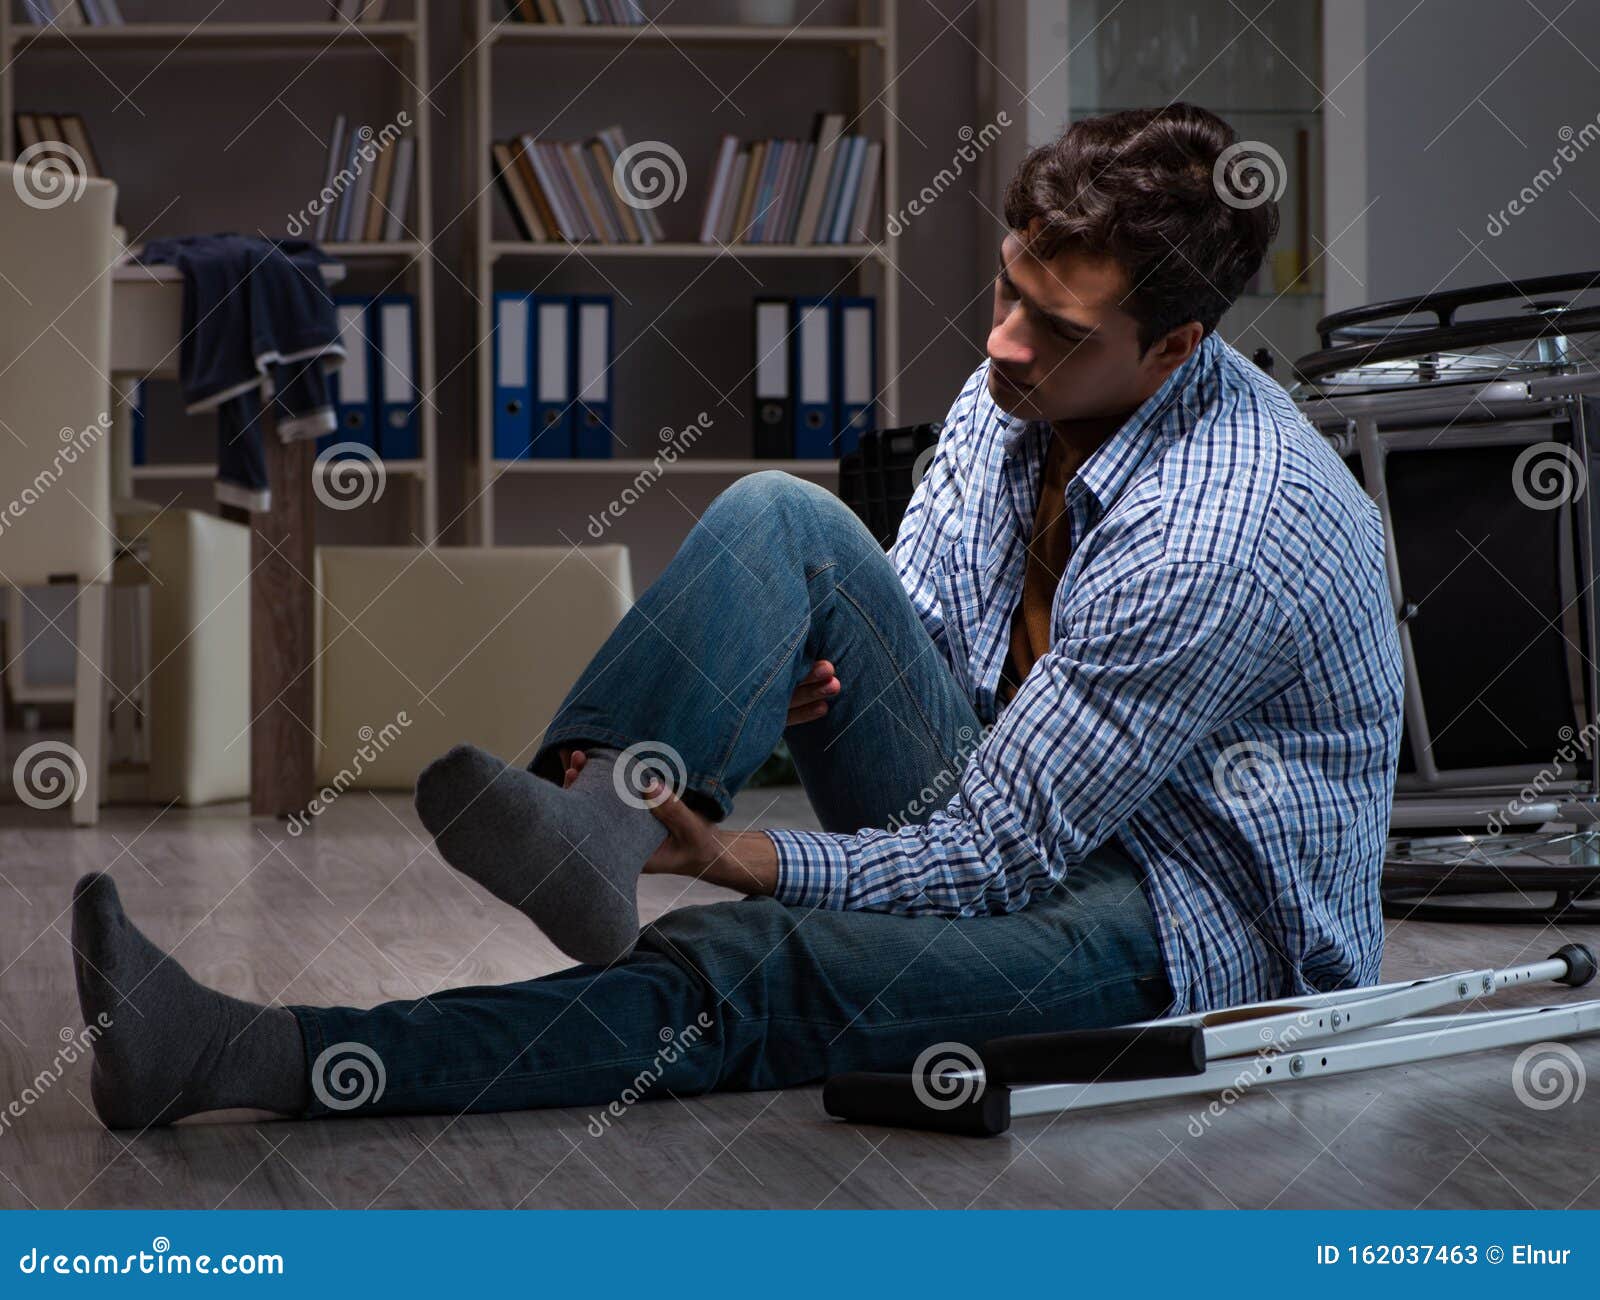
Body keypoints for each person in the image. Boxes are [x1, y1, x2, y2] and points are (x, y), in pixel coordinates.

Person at [70, 103, 1403, 1128]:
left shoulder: (1223, 530)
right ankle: (596, 812)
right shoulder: (1017, 397)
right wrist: (797, 671)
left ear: (1174, 350)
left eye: (1053, 328)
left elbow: (998, 852)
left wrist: (750, 856)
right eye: (1007, 289)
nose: (1001, 340)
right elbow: (927, 639)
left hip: (1180, 928)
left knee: (753, 957)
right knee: (784, 518)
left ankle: (257, 1055)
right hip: (1025, 806)